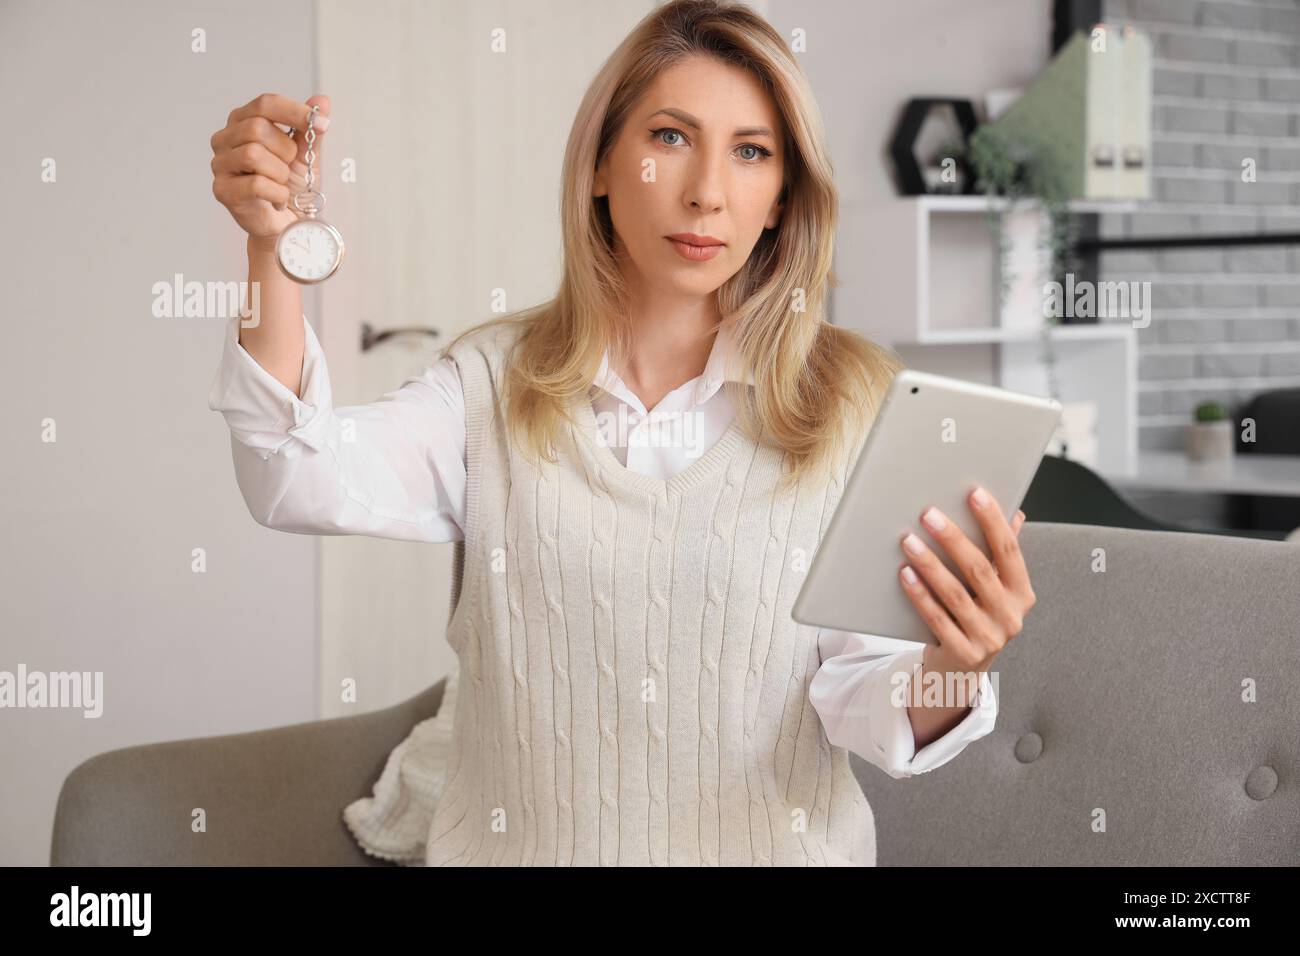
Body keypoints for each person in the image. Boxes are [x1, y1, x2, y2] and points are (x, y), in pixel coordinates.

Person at [206, 0, 1036, 866]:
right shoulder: (491, 385)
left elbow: (870, 703)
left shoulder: (851, 404)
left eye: (751, 152)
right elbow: (288, 475)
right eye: (671, 138)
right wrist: (271, 249)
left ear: (782, 197)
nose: (707, 191)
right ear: (603, 164)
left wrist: (956, 660)